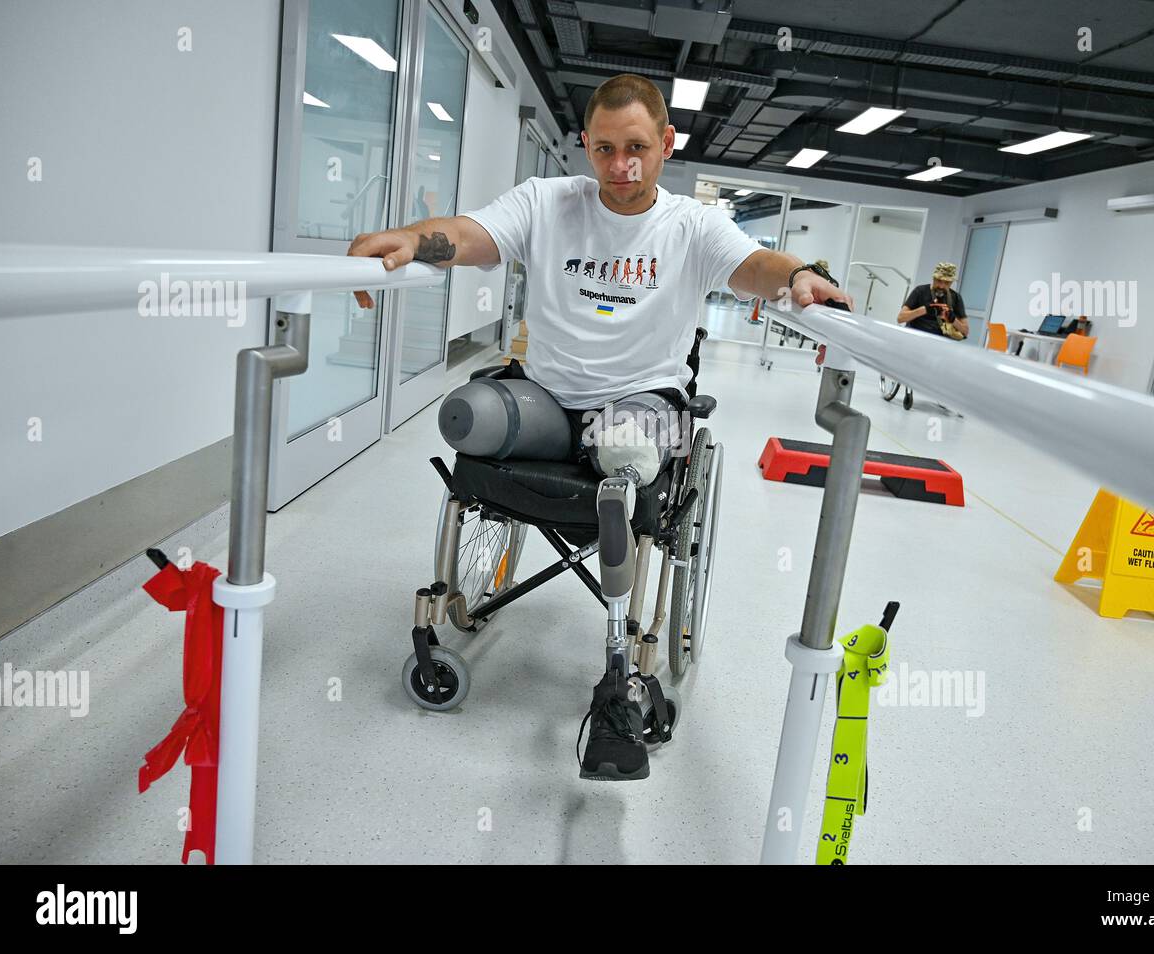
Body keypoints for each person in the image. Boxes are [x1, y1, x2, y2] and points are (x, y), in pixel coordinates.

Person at [347, 72, 852, 782]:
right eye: (605, 148)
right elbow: (470, 236)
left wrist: (801, 275)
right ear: (585, 145)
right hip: (548, 401)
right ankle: (466, 582)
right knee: (465, 415)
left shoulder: (690, 224)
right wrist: (408, 237)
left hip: (640, 402)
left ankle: (618, 658)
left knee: (620, 449)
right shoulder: (547, 203)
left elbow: (756, 265)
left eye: (638, 147)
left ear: (667, 144)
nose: (622, 167)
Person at [898, 262, 968, 339]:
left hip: (939, 342)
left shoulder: (956, 297)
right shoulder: (920, 291)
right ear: (934, 278)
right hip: (914, 336)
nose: (941, 286)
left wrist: (952, 319)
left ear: (951, 282)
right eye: (939, 281)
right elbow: (901, 318)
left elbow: (965, 331)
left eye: (947, 283)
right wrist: (925, 309)